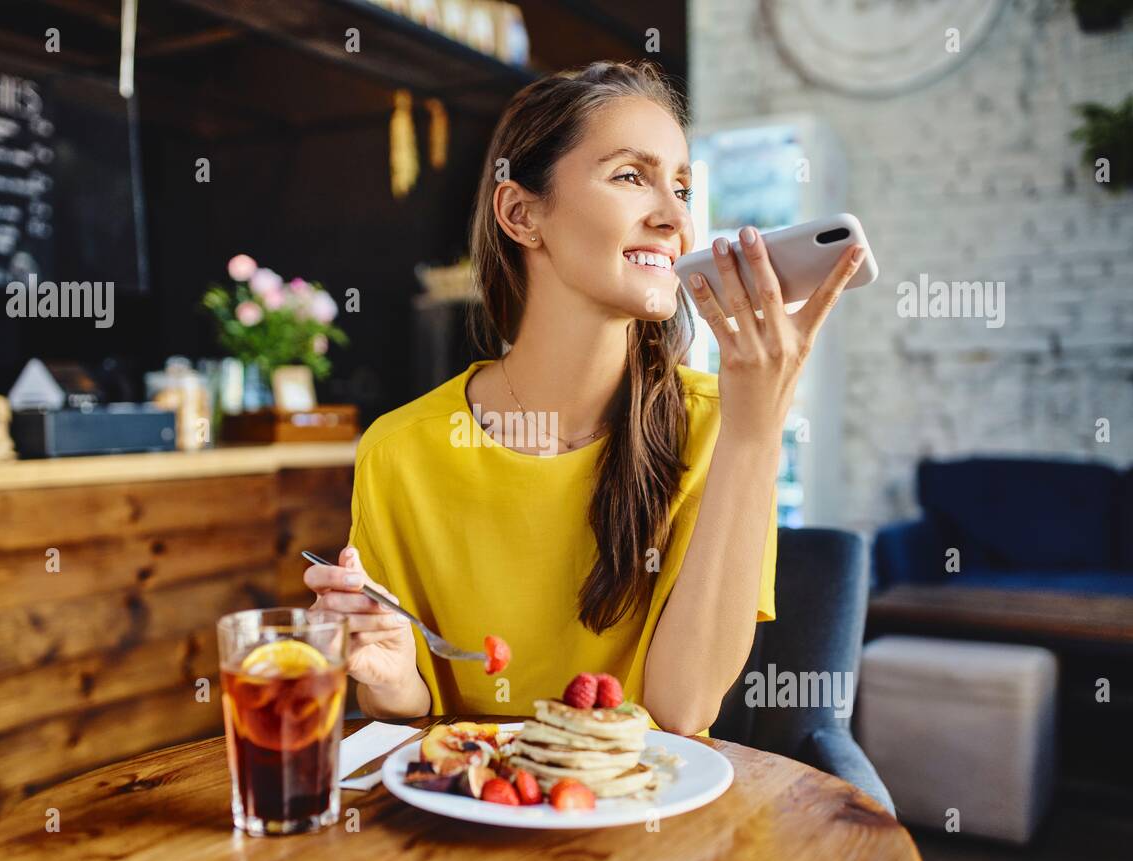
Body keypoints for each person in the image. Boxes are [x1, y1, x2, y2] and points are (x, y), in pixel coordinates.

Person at [304, 60, 864, 736]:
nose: (674, 218)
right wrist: (391, 681)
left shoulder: (720, 421)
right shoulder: (400, 451)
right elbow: (409, 704)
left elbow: (681, 711)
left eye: (681, 186)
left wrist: (755, 430)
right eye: (632, 176)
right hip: (466, 822)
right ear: (521, 213)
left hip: (644, 823)